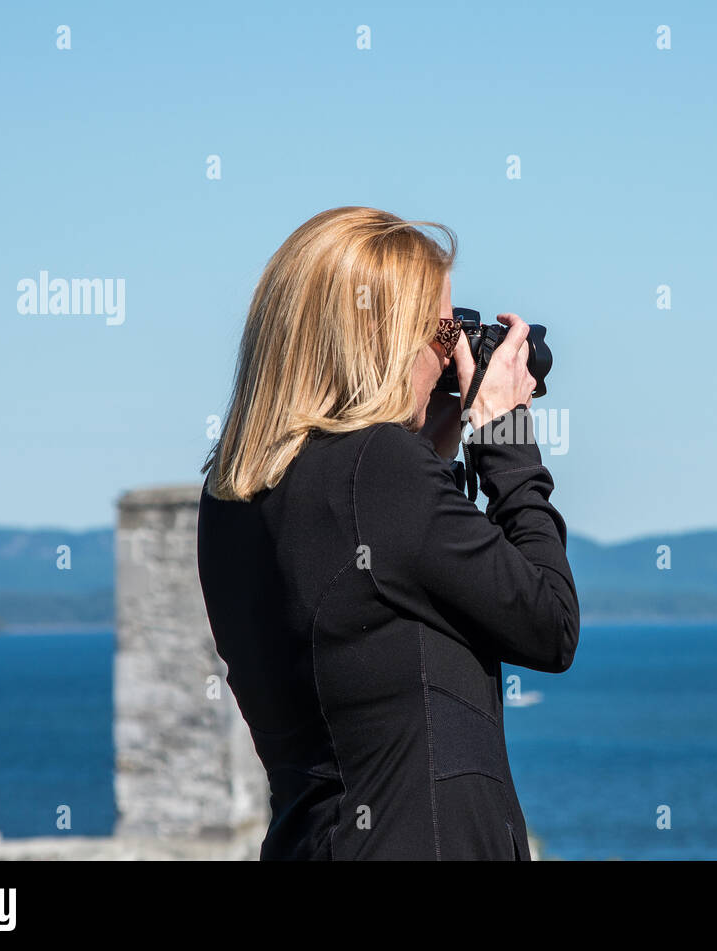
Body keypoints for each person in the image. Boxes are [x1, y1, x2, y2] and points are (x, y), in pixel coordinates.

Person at [196, 206, 580, 860]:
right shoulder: (380, 475)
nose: (452, 352)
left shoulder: (233, 494)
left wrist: (430, 443)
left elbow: (374, 603)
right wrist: (507, 438)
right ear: (379, 337)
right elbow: (548, 622)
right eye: (441, 331)